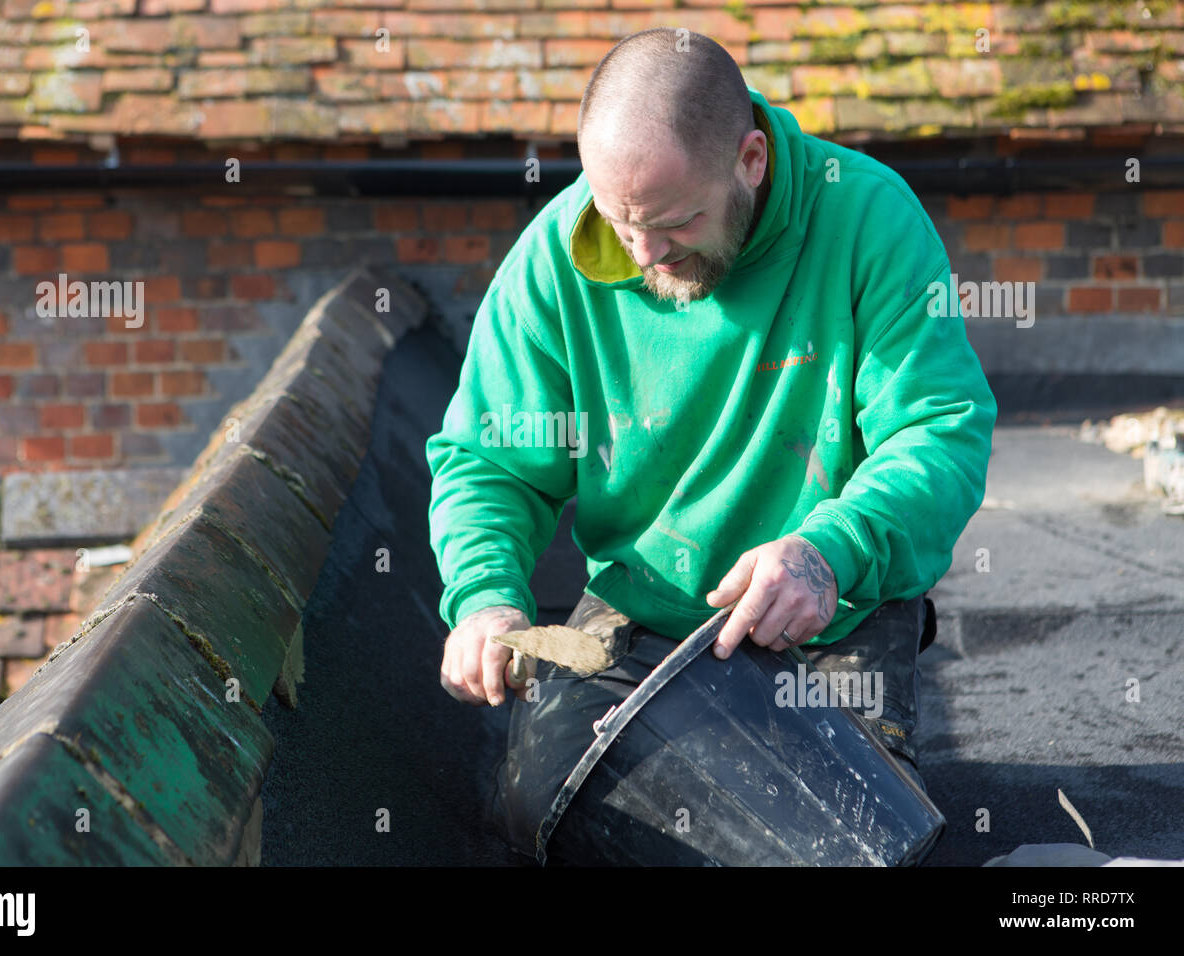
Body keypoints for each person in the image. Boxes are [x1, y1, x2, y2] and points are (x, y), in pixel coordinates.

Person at [426, 28, 996, 862]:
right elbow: (487, 460)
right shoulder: (554, 258)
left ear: (752, 160)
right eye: (623, 224)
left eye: (676, 220)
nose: (646, 255)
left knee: (847, 834)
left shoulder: (867, 218)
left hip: (825, 609)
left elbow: (938, 430)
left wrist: (831, 551)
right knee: (545, 814)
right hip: (641, 613)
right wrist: (485, 598)